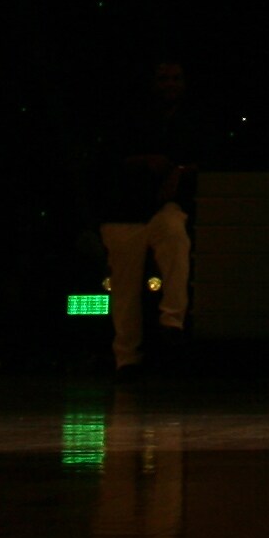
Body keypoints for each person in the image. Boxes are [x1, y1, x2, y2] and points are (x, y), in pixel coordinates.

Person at [94, 59, 202, 377]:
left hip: (161, 208)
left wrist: (179, 172)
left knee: (175, 238)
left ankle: (172, 319)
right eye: (163, 78)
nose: (170, 84)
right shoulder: (129, 118)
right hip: (124, 213)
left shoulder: (191, 121)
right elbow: (107, 160)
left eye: (176, 78)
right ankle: (126, 357)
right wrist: (145, 162)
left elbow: (206, 158)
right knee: (124, 288)